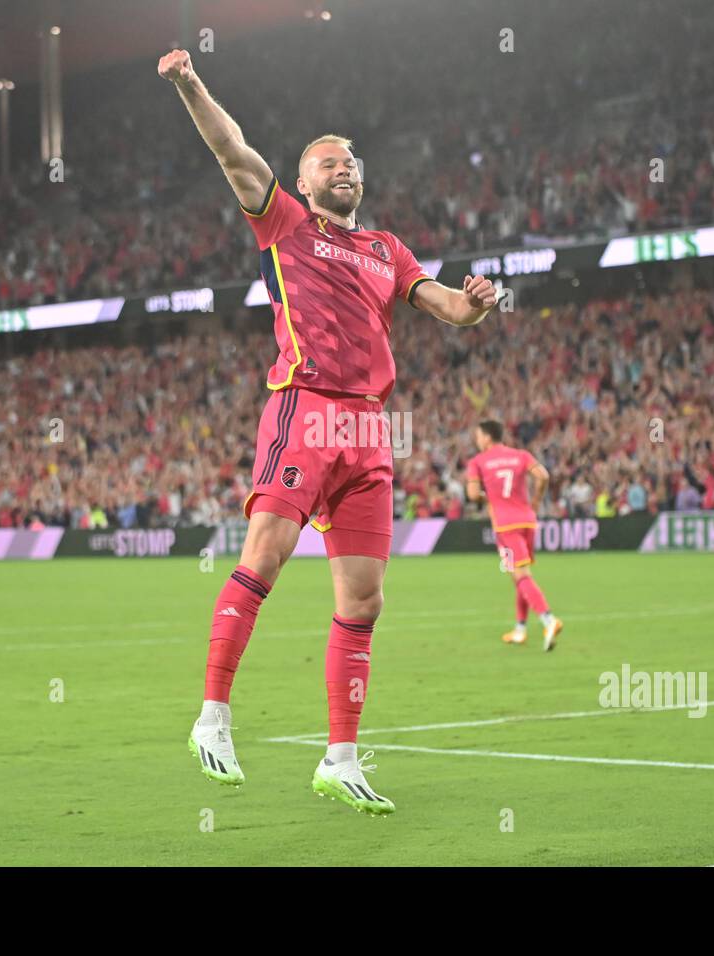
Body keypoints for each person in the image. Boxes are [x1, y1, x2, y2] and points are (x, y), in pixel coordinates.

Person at [160, 48, 497, 814]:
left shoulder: (388, 251)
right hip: (303, 408)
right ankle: (213, 717)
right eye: (325, 162)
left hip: (370, 429)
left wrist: (475, 304)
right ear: (304, 181)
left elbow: (446, 308)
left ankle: (339, 758)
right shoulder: (281, 221)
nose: (341, 167)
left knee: (365, 601)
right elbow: (230, 149)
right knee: (266, 558)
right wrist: (190, 83)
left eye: (349, 161)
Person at [466, 421, 563, 651]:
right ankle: (520, 629)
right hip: (527, 521)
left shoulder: (477, 461)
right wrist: (537, 501)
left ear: (488, 437)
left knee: (520, 575)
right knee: (517, 575)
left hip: (505, 527)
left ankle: (549, 620)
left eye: (479, 436)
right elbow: (543, 476)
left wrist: (488, 497)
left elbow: (471, 495)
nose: (477, 440)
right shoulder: (521, 455)